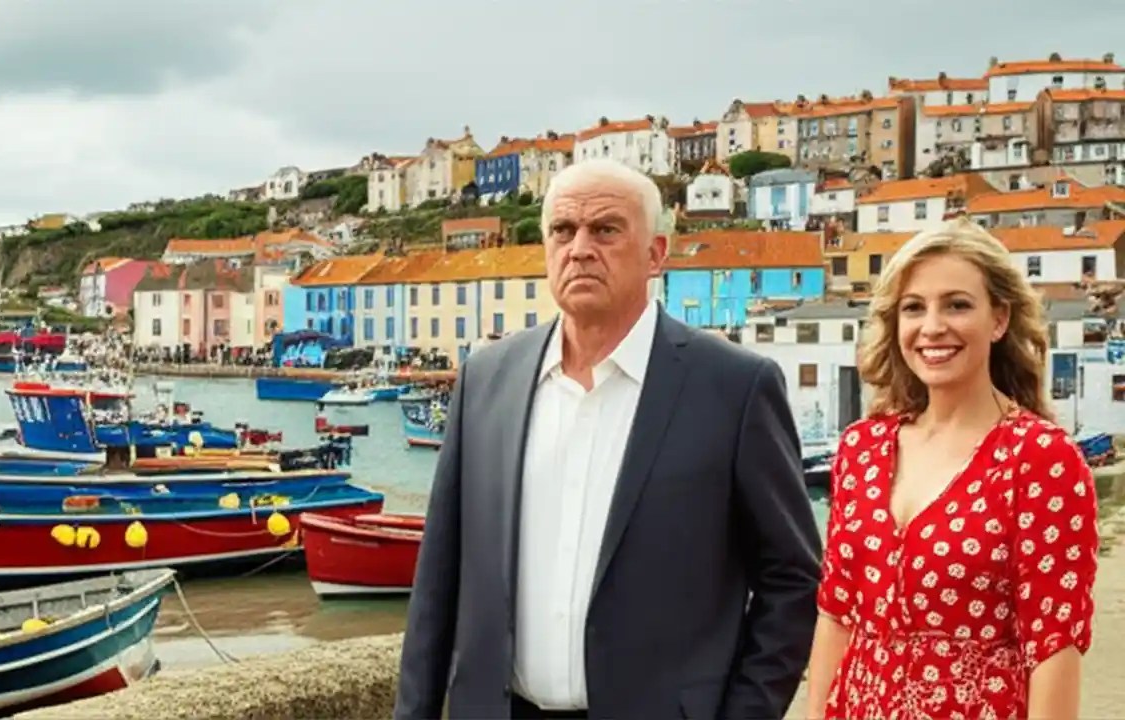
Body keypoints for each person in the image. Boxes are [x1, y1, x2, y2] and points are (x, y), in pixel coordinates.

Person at [395, 158, 822, 719]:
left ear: (656, 254)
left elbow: (792, 579)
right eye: (562, 230)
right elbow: (438, 575)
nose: (580, 249)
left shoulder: (735, 388)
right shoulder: (486, 378)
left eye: (605, 230)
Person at [804, 218, 1099, 720]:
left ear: (999, 319)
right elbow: (836, 615)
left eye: (957, 305)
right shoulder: (862, 449)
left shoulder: (1040, 459)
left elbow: (1053, 646)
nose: (933, 327)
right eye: (914, 308)